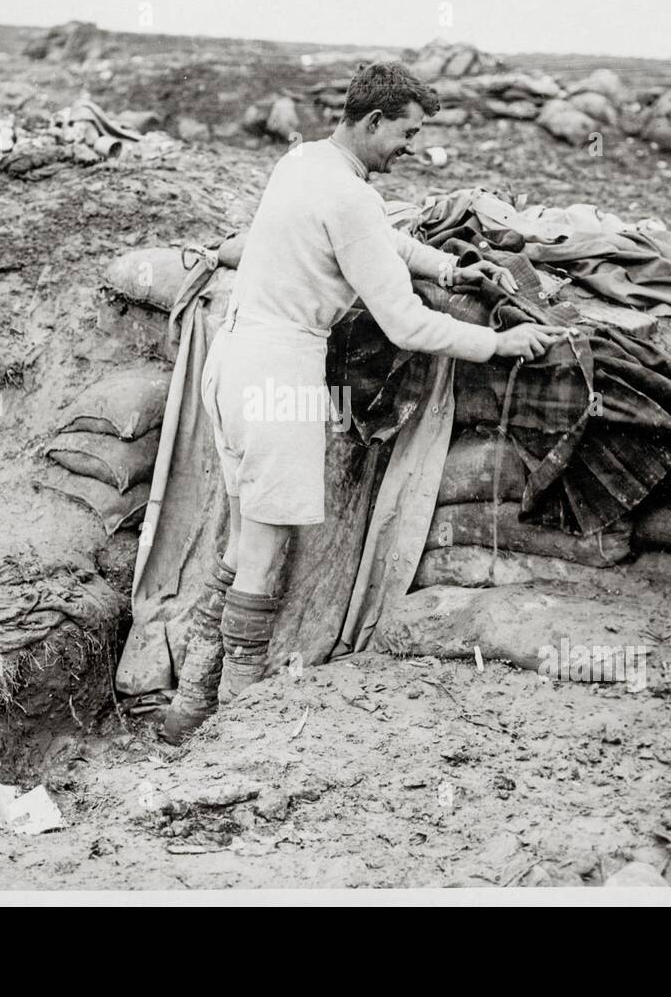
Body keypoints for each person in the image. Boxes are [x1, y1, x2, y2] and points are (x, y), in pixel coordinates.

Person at [160, 61, 569, 743]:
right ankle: (238, 724)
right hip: (277, 372)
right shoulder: (349, 197)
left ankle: (190, 705)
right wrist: (501, 344)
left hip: (234, 361)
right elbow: (407, 324)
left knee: (240, 540)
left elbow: (375, 235)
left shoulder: (305, 162)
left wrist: (448, 267)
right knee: (263, 551)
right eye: (406, 133)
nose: (409, 147)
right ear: (374, 121)